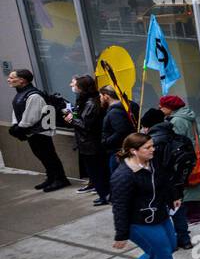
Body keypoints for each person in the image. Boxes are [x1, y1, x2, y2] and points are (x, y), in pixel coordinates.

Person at [107, 132, 194, 259]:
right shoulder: (123, 176)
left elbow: (164, 182)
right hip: (139, 223)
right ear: (133, 151)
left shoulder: (151, 163)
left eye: (152, 145)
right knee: (162, 256)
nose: (153, 150)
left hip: (159, 216)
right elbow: (120, 207)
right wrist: (121, 234)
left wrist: (173, 196)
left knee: (168, 247)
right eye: (147, 147)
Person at [141, 107, 196, 251]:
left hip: (160, 184)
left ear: (149, 126)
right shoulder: (178, 137)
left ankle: (170, 242)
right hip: (177, 182)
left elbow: (150, 166)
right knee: (178, 210)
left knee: (161, 214)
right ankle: (184, 239)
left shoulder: (153, 144)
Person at [8, 68, 69, 191]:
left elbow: (31, 116)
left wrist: (19, 128)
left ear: (22, 80)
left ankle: (60, 179)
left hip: (40, 131)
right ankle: (51, 177)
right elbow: (17, 110)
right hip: (31, 131)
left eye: (12, 77)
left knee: (49, 155)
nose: (8, 80)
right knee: (41, 155)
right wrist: (15, 125)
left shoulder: (34, 95)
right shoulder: (20, 93)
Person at [160, 95, 200, 225]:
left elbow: (176, 141)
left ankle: (195, 215)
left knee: (188, 185)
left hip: (185, 157)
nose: (160, 109)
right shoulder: (187, 115)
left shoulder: (177, 121)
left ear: (170, 108)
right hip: (195, 153)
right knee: (197, 182)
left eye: (162, 107)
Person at [65, 74, 109, 204]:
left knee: (97, 172)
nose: (72, 86)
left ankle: (104, 195)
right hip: (87, 143)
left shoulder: (91, 103)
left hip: (91, 144)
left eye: (75, 84)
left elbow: (85, 124)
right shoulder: (85, 100)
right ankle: (103, 194)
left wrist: (72, 119)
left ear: (82, 87)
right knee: (95, 171)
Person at [100, 86, 139, 174]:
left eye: (100, 96)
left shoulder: (115, 112)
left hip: (118, 151)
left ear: (106, 96)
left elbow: (121, 132)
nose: (100, 99)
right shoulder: (128, 106)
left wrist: (107, 141)